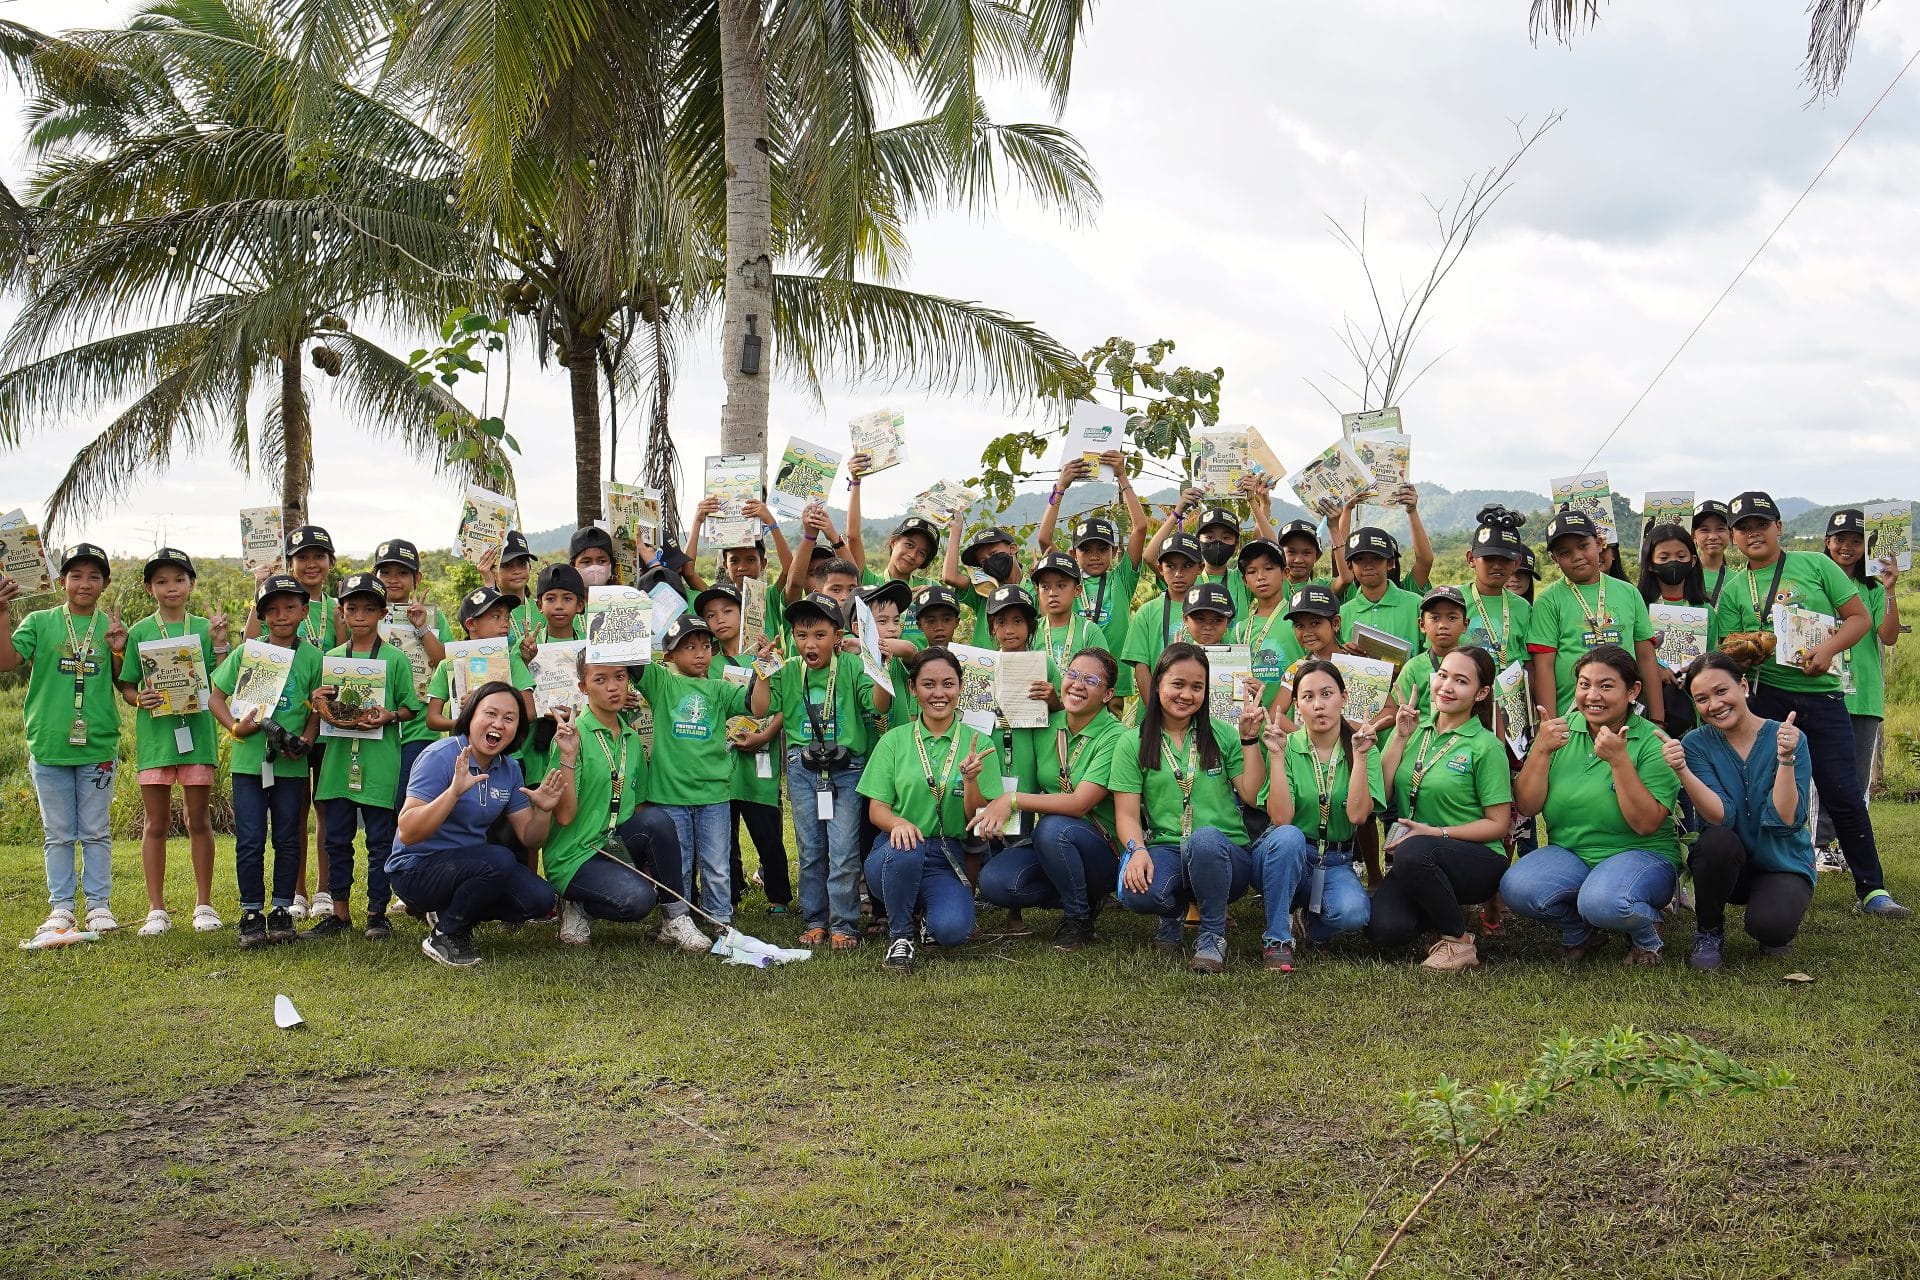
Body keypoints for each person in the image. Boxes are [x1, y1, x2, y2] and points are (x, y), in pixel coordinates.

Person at [1712, 490, 1907, 916]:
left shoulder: (1815, 565)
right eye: (1743, 529)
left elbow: (1860, 618)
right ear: (1734, 538)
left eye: (1761, 525)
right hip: (1766, 700)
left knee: (1843, 792)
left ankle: (1872, 890)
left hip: (1824, 697)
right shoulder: (1732, 589)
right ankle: (1770, 878)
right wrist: (1746, 654)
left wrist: (1828, 650)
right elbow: (1725, 655)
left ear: (1779, 528)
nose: (1753, 534)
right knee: (1766, 794)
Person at [1501, 646, 1685, 964]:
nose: (1592, 695)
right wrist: (1541, 751)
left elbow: (1646, 823)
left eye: (1606, 686)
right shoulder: (1560, 732)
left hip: (1642, 856)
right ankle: (1580, 932)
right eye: (1584, 684)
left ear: (1633, 691)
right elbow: (1528, 806)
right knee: (1516, 888)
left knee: (1602, 902)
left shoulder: (1653, 740)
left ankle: (1647, 933)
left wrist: (1619, 762)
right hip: (1572, 853)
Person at [1109, 643, 1273, 974]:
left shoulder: (1223, 734)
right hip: (1167, 848)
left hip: (1226, 853)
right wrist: (1137, 849)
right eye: (1178, 684)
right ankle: (1172, 912)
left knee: (1205, 839)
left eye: (1197, 687)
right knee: (1134, 893)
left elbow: (1254, 796)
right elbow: (1126, 814)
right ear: (1158, 685)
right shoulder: (1133, 742)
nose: (1187, 694)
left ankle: (1212, 935)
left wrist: (1250, 740)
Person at [0, 542, 128, 938]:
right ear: (61, 581)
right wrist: (2, 611)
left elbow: (125, 684)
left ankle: (99, 906)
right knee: (57, 833)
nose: (84, 584)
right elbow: (6, 662)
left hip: (98, 745)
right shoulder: (40, 622)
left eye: (94, 576)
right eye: (76, 575)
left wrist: (121, 651)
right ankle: (61, 908)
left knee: (95, 830)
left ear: (105, 583)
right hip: (50, 743)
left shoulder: (110, 628)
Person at [387, 684, 566, 966]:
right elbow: (408, 833)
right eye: (490, 713)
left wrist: (543, 810)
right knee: (499, 858)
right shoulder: (440, 757)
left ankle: (449, 910)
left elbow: (530, 839)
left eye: (509, 718)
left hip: (467, 868)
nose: (498, 724)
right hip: (415, 871)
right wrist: (453, 793)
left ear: (518, 729)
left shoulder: (509, 769)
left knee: (539, 897)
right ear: (470, 716)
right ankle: (447, 933)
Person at [751, 592, 891, 947]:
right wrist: (764, 671)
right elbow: (759, 709)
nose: (809, 644)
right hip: (803, 767)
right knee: (811, 849)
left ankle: (844, 924)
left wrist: (878, 668)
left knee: (843, 850)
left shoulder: (851, 667)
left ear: (838, 638)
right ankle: (816, 919)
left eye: (819, 635)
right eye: (801, 635)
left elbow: (879, 706)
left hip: (846, 768)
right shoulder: (789, 670)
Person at [543, 658, 707, 951]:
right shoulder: (570, 737)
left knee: (658, 820)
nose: (613, 687)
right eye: (600, 680)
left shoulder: (632, 738)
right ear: (583, 687)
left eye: (619, 677)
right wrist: (568, 757)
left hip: (612, 846)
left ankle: (676, 919)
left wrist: (647, 859)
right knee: (638, 900)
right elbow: (565, 816)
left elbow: (640, 808)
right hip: (575, 855)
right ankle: (577, 906)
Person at [1367, 647, 1513, 971]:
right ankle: (1439, 908)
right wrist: (1399, 736)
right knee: (1385, 930)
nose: (1446, 686)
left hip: (1475, 859)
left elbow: (1498, 824)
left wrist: (1436, 833)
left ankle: (1458, 941)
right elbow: (1384, 791)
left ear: (1482, 692)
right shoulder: (1416, 730)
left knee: (1415, 852)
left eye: (1461, 681)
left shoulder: (1485, 746)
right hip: (1418, 856)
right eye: (1443, 676)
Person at [1666, 654, 1816, 969]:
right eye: (1702, 699)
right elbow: (1721, 816)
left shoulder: (1788, 737)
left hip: (1782, 862)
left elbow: (1787, 818)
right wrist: (1682, 771)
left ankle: (1773, 918)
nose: (1715, 704)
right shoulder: (1695, 744)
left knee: (1771, 928)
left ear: (1743, 685)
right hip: (1730, 863)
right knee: (1716, 841)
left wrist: (1785, 759)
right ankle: (1709, 931)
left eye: (1722, 691)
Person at [971, 647, 1126, 950]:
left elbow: (1080, 803)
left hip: (1102, 848)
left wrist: (1012, 800)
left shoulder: (1116, 736)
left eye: (1091, 680)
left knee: (1053, 827)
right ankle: (1080, 895)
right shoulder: (1046, 723)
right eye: (1073, 675)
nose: (1078, 684)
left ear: (1107, 695)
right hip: (1056, 847)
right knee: (995, 882)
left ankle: (1078, 918)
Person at [858, 647, 1001, 971]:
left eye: (948, 684)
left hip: (945, 852)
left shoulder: (980, 744)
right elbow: (876, 810)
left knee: (952, 931)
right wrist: (898, 825)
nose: (939, 693)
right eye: (929, 684)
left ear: (961, 687)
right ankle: (901, 936)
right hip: (894, 851)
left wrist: (970, 781)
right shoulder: (894, 741)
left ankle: (927, 917)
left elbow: (973, 821)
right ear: (912, 689)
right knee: (908, 846)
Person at [115, 548, 227, 936]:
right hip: (157, 740)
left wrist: (220, 642)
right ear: (149, 588)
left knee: (199, 820)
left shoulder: (203, 628)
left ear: (191, 583)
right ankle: (156, 909)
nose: (171, 587)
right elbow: (128, 685)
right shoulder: (141, 632)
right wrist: (137, 698)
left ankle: (204, 904)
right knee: (156, 824)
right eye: (161, 581)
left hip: (196, 737)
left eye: (179, 579)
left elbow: (221, 681)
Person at [306, 573, 423, 940]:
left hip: (379, 763)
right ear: (340, 612)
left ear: (382, 613)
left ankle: (376, 912)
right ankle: (339, 913)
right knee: (336, 839)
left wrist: (389, 715)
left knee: (379, 839)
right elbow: (316, 704)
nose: (360, 616)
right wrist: (318, 700)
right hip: (338, 761)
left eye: (369, 609)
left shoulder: (394, 659)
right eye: (352, 608)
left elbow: (410, 707)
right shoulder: (330, 659)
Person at [211, 574, 323, 948]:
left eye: (290, 607)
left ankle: (281, 910)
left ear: (304, 611)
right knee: (251, 839)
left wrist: (307, 738)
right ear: (261, 616)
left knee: (289, 838)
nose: (281, 616)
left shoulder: (313, 657)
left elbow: (315, 706)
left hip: (291, 765)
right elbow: (216, 697)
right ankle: (250, 912)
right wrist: (235, 728)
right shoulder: (248, 652)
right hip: (248, 763)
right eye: (271, 610)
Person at [1254, 660, 1383, 971]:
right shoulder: (1285, 745)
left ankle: (1312, 925)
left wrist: (1362, 757)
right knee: (1288, 836)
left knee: (1354, 914)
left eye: (1327, 694)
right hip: (1288, 855)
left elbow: (1357, 815)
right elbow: (1281, 819)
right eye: (1308, 697)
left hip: (1335, 860)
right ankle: (1277, 938)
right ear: (1297, 705)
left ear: (1344, 696)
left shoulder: (1364, 747)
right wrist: (1275, 755)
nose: (1319, 705)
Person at [638, 615, 751, 931]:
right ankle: (679, 920)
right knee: (681, 864)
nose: (700, 653)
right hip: (670, 796)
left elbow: (755, 704)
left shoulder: (719, 689)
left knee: (717, 864)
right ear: (670, 655)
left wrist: (764, 671)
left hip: (713, 795)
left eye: (705, 646)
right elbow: (635, 664)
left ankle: (720, 919)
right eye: (689, 647)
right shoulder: (662, 683)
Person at [698, 580, 791, 913]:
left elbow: (785, 704)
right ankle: (730, 893)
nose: (720, 619)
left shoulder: (764, 654)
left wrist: (765, 736)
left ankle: (779, 896)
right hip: (722, 765)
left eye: (727, 611)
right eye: (711, 615)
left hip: (759, 763)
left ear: (743, 613)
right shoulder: (705, 662)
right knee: (722, 835)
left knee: (766, 832)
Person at [1816, 508, 1902, 862]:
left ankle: (1848, 848)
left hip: (1863, 695)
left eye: (1855, 540)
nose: (1846, 547)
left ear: (1865, 547)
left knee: (1854, 782)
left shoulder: (1872, 588)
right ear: (1827, 543)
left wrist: (1891, 590)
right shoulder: (1816, 583)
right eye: (1839, 540)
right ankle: (1818, 846)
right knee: (1817, 775)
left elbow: (1889, 636)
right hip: (1822, 690)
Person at [1526, 509, 1662, 724]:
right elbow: (1544, 667)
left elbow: (1646, 657)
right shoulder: (1549, 600)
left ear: (1599, 544)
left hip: (1625, 715)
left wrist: (1657, 719)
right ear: (1554, 559)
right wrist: (1549, 725)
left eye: (1583, 546)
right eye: (1564, 553)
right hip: (1571, 717)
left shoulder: (1628, 593)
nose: (1577, 557)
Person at [1036, 450, 1148, 694]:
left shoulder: (1122, 579)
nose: (1095, 555)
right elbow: (1044, 539)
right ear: (1073, 553)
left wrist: (1122, 477)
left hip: (1113, 686)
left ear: (1115, 551)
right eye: (1086, 550)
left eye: (1102, 549)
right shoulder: (1067, 581)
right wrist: (1061, 486)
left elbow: (1140, 528)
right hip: (1073, 685)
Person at [375, 538, 452, 842]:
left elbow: (444, 662)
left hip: (420, 727)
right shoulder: (369, 613)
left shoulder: (434, 617)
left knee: (413, 802)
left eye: (402, 573)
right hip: (377, 728)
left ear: (417, 578)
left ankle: (408, 874)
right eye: (386, 572)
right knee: (383, 806)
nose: (393, 579)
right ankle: (387, 874)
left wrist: (421, 627)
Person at [1120, 532, 1204, 694]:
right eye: (1170, 566)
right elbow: (1141, 667)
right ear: (1160, 568)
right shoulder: (1147, 611)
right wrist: (1153, 711)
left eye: (1187, 566)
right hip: (1155, 707)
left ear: (1200, 568)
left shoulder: (1209, 608)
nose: (1178, 574)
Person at [1456, 506, 1533, 679]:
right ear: (1471, 559)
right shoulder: (1453, 600)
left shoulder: (1523, 607)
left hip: (1511, 700)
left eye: (1506, 559)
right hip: (1465, 698)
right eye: (1489, 558)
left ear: (1517, 562)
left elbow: (1529, 662)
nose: (1497, 566)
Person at [1338, 527, 1423, 655]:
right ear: (1350, 566)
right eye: (1359, 559)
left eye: (1376, 558)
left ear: (1390, 563)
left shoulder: (1416, 604)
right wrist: (1343, 653)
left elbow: (1431, 654)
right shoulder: (1343, 613)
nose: (1368, 565)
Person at [1389, 587, 1471, 721]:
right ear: (1422, 625)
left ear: (1465, 625)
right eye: (1435, 618)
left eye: (1452, 618)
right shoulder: (1413, 668)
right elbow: (1398, 711)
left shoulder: (1473, 665)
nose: (1443, 625)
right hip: (1422, 739)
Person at [943, 518, 1025, 646]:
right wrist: (955, 530)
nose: (989, 561)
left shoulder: (1034, 589)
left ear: (1013, 549)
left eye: (993, 553)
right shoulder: (983, 590)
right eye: (983, 562)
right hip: (982, 664)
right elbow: (950, 577)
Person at [1029, 552, 1108, 674]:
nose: (1052, 593)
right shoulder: (1030, 631)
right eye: (1045, 587)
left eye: (1061, 585)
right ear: (1037, 591)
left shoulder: (1089, 632)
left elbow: (1101, 677)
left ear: (1077, 590)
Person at [1691, 500, 1735, 606]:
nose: (1713, 537)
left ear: (1731, 534)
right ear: (1693, 535)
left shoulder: (1739, 580)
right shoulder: (1684, 575)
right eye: (1704, 530)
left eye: (1720, 529)